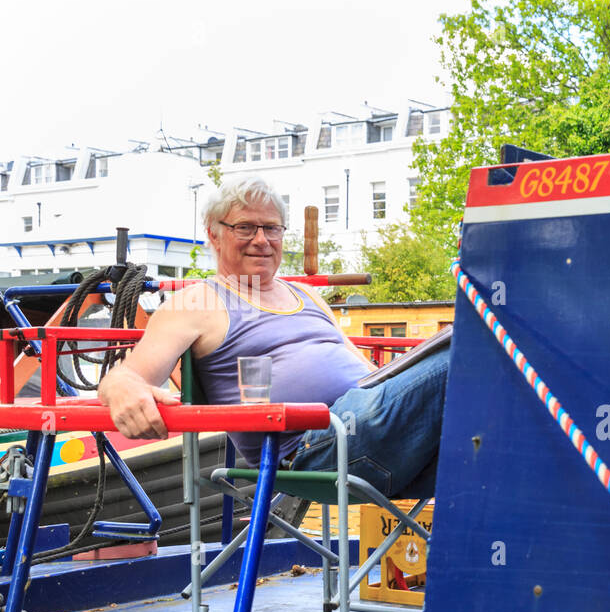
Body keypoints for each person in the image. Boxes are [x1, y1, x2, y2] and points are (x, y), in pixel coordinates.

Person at [97, 176, 449, 498]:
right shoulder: (198, 300)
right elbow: (126, 376)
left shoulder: (307, 296)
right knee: (466, 351)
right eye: (245, 227)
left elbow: (367, 374)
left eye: (272, 228)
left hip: (379, 434)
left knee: (491, 440)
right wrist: (125, 390)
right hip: (318, 447)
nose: (262, 240)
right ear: (214, 233)